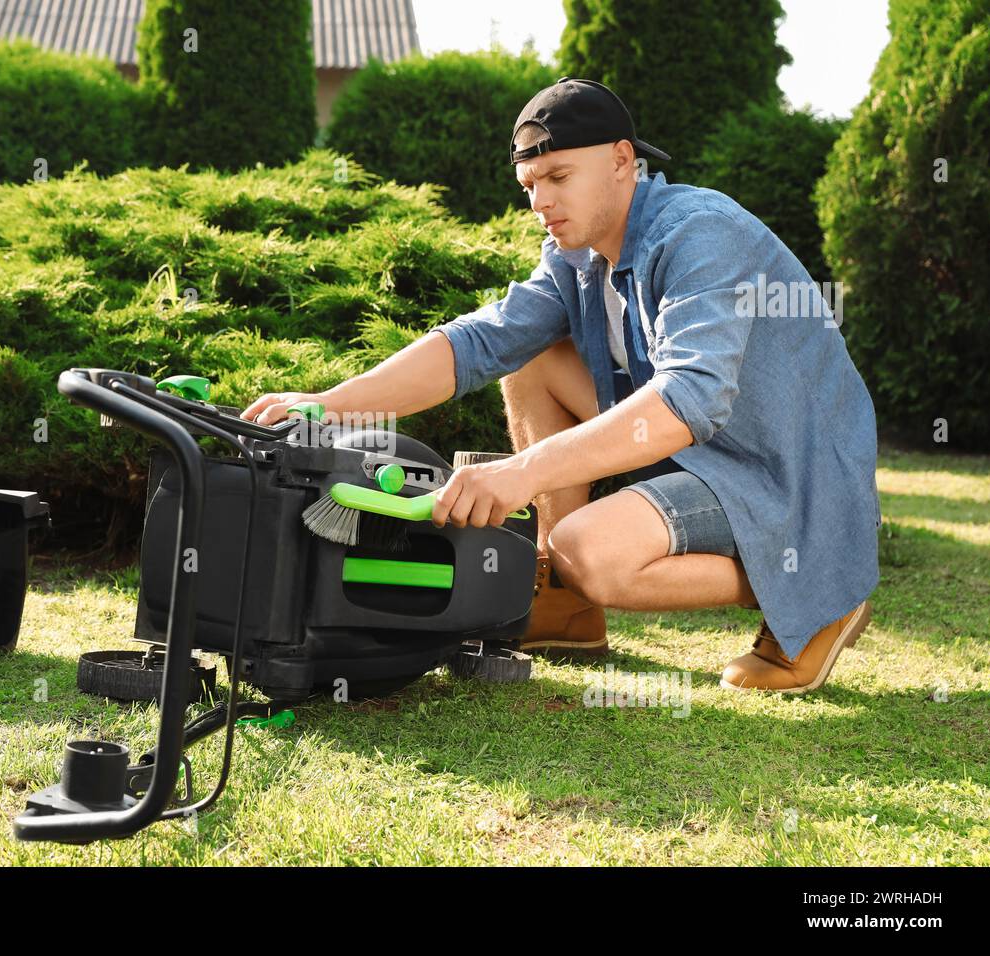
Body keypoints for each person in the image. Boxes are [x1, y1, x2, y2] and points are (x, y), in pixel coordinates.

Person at [241, 77, 880, 694]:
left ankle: (820, 586)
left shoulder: (699, 234)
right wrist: (329, 404)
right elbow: (479, 341)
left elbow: (690, 398)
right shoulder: (579, 257)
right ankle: (563, 602)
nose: (539, 201)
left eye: (558, 178)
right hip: (703, 451)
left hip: (786, 474)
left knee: (592, 552)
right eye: (529, 184)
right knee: (532, 360)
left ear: (622, 160)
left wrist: (523, 473)